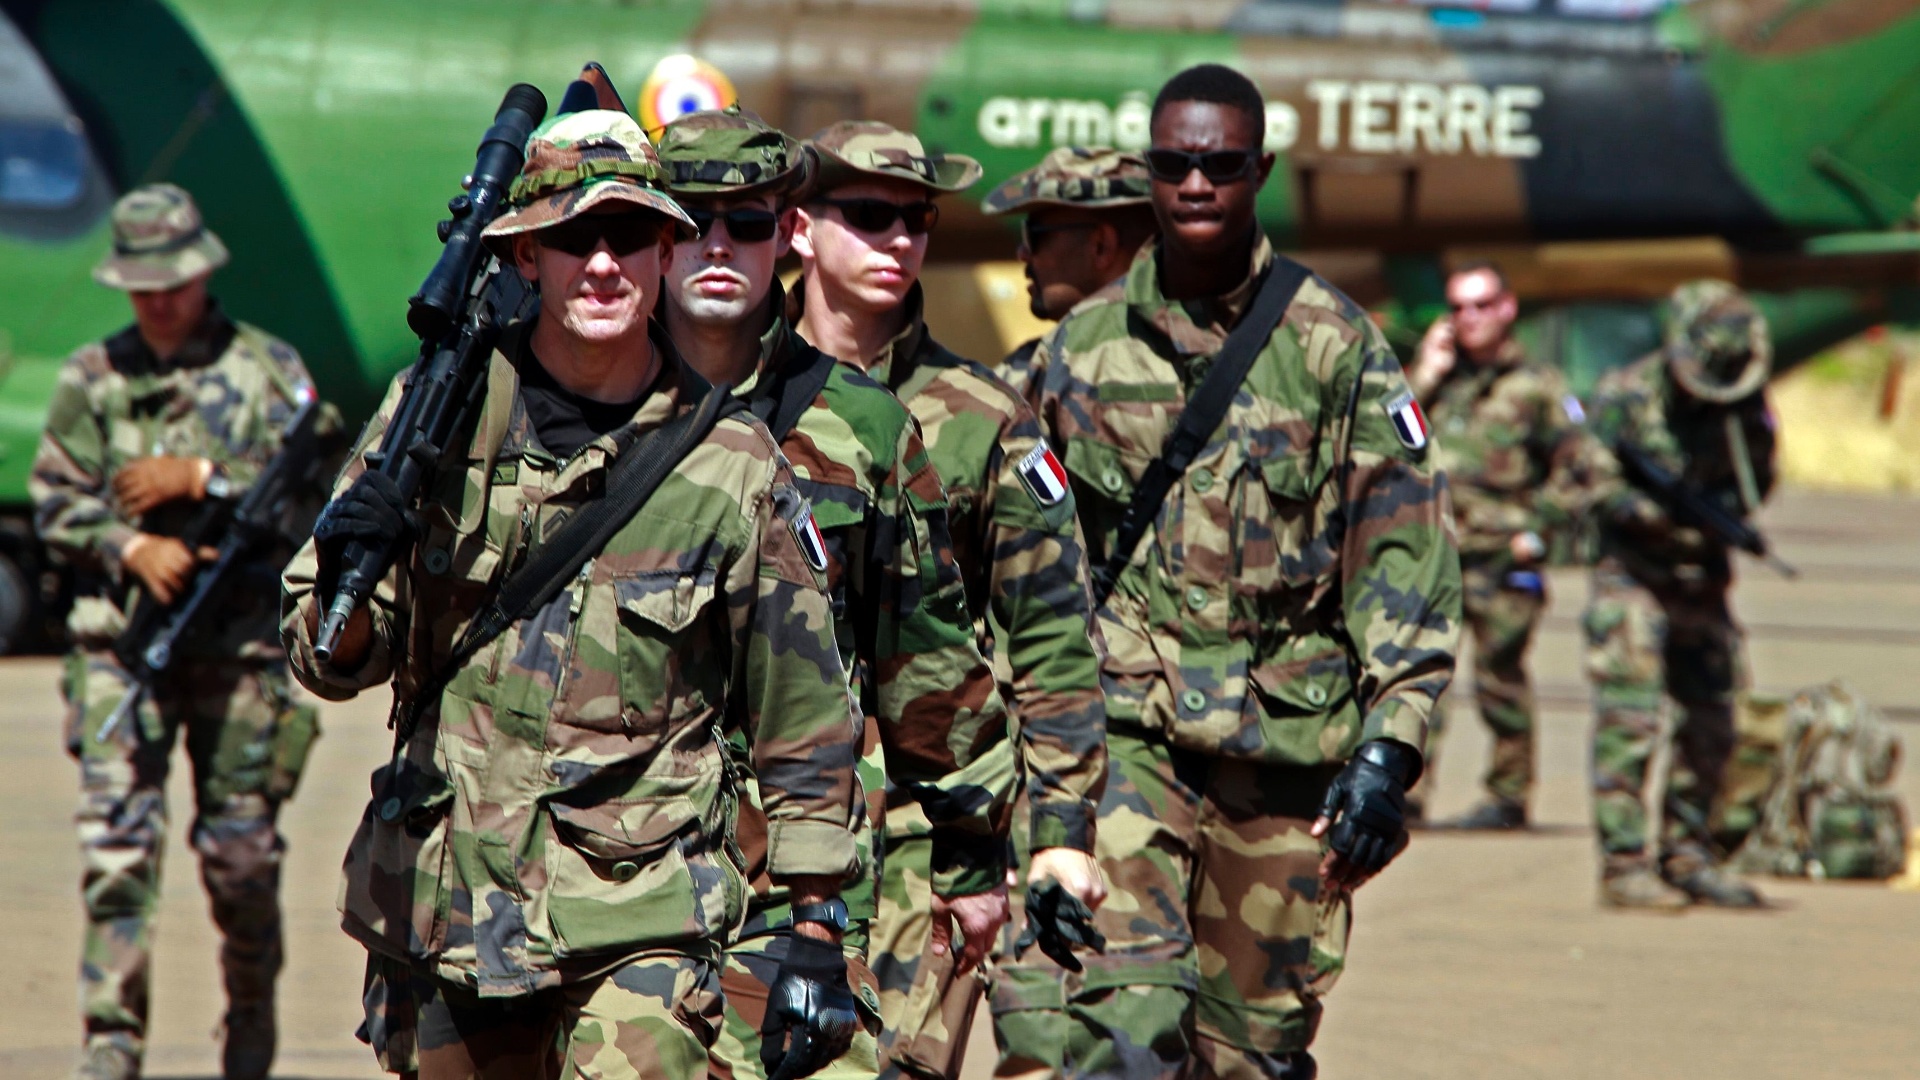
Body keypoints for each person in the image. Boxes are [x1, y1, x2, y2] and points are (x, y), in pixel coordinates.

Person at [281, 109, 865, 1079]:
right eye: (573, 238)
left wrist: (816, 928)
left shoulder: (731, 467)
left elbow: (801, 712)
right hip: (453, 904)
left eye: (630, 236)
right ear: (526, 257)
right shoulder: (436, 417)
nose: (603, 264)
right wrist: (351, 569)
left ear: (666, 253)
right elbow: (331, 656)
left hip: (642, 919)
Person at [1015, 63, 1462, 1079]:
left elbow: (1405, 558)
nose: (1196, 183)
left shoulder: (1336, 347)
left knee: (1248, 1052)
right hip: (1128, 742)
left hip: (1286, 754)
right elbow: (1027, 562)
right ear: (1148, 173)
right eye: (1174, 163)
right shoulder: (1081, 350)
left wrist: (1389, 751)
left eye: (1220, 164)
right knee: (1123, 1027)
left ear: (1258, 171)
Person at [653, 106, 1015, 1080]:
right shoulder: (582, 401)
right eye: (692, 220)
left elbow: (927, 657)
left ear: (785, 233)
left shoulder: (864, 425)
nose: (718, 244)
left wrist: (975, 856)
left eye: (746, 221)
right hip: (608, 866)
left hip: (795, 872)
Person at [791, 121, 1110, 1079]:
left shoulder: (984, 418)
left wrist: (1060, 837)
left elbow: (1052, 638)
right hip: (753, 838)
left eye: (918, 219)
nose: (899, 239)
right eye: (869, 214)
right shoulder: (731, 397)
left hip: (922, 844)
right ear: (801, 228)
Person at [32, 182, 342, 1080]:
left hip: (239, 653)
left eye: (174, 282)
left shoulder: (265, 368)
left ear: (203, 271)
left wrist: (203, 476)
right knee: (117, 853)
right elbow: (54, 499)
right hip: (123, 651)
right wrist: (130, 546)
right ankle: (110, 1045)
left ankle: (250, 1029)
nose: (161, 300)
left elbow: (318, 475)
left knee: (241, 859)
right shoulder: (93, 377)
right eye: (144, 286)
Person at [1581, 279, 1777, 911]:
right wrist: (1650, 514)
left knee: (1714, 717)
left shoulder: (1741, 408)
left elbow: (1756, 478)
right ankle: (1624, 865)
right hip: (1633, 575)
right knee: (1631, 719)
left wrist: (1714, 518)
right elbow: (1589, 480)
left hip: (1701, 578)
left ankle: (1689, 853)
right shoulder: (1626, 394)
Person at [1402, 261, 1588, 830]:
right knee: (1415, 678)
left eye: (1482, 305)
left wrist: (1539, 532)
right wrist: (1425, 374)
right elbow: (1387, 436)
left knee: (1499, 678)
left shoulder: (1537, 387)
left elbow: (1580, 467)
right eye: (1459, 307)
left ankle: (1508, 796)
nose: (1470, 318)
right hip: (1435, 553)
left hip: (1504, 555)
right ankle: (1404, 794)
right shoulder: (1440, 382)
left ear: (1507, 308)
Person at [979, 146, 1157, 397]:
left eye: (1033, 236)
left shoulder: (1030, 382)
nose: (1023, 254)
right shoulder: (1023, 377)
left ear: (1101, 246)